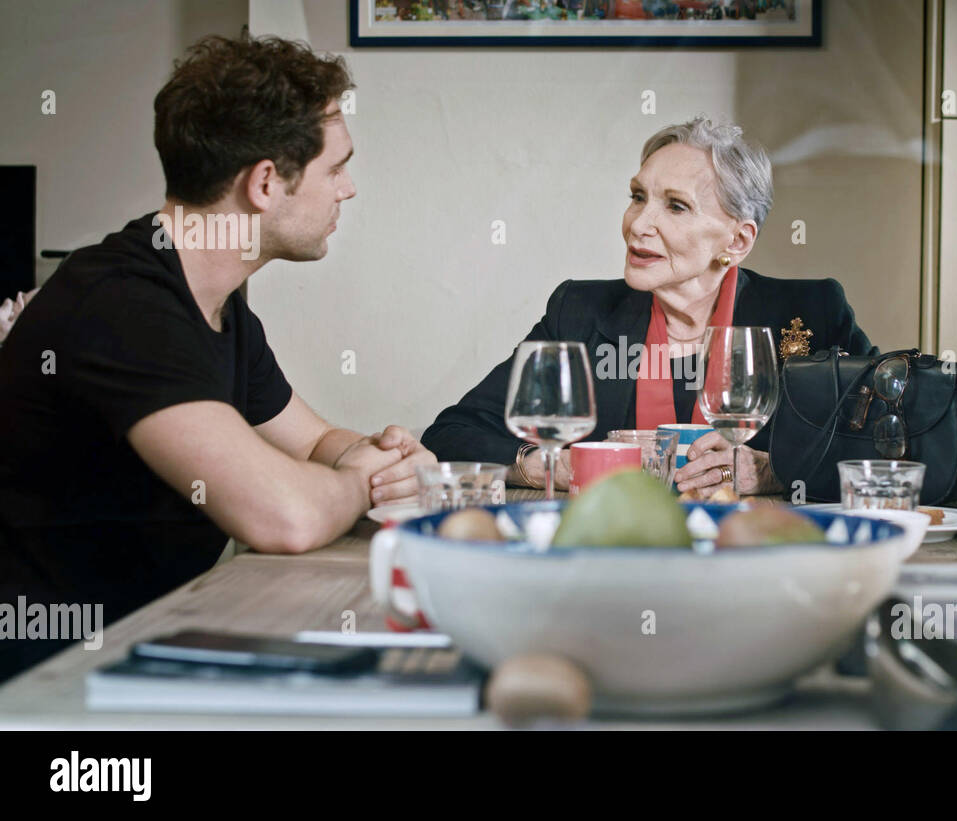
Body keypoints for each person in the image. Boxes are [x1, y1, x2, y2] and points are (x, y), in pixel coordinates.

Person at [0, 34, 437, 682]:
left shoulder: (215, 306)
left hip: (144, 647)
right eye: (335, 166)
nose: (347, 189)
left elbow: (314, 441)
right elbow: (282, 515)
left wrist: (386, 456)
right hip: (44, 684)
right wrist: (365, 482)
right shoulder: (122, 307)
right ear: (265, 182)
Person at [422, 116, 875, 497]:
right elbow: (452, 435)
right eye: (638, 197)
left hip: (761, 559)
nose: (639, 224)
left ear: (737, 241)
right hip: (615, 557)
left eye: (676, 207)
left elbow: (894, 448)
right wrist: (557, 467)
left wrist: (774, 471)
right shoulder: (580, 311)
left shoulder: (812, 312)